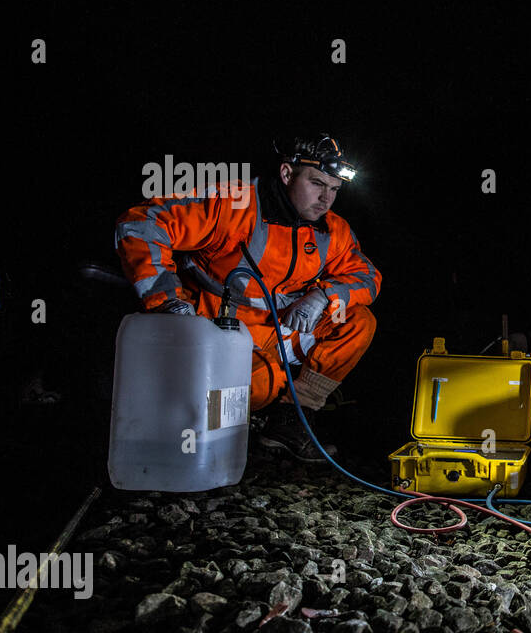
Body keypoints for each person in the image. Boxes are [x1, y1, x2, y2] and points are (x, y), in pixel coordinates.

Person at [114, 135, 382, 461]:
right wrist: (167, 301)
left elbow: (367, 277)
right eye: (316, 184)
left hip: (281, 325)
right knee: (257, 389)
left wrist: (326, 295)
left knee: (356, 321)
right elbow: (142, 223)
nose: (326, 198)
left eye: (335, 189)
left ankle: (292, 420)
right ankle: (207, 435)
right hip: (219, 325)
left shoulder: (333, 230)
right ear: (286, 174)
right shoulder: (233, 204)